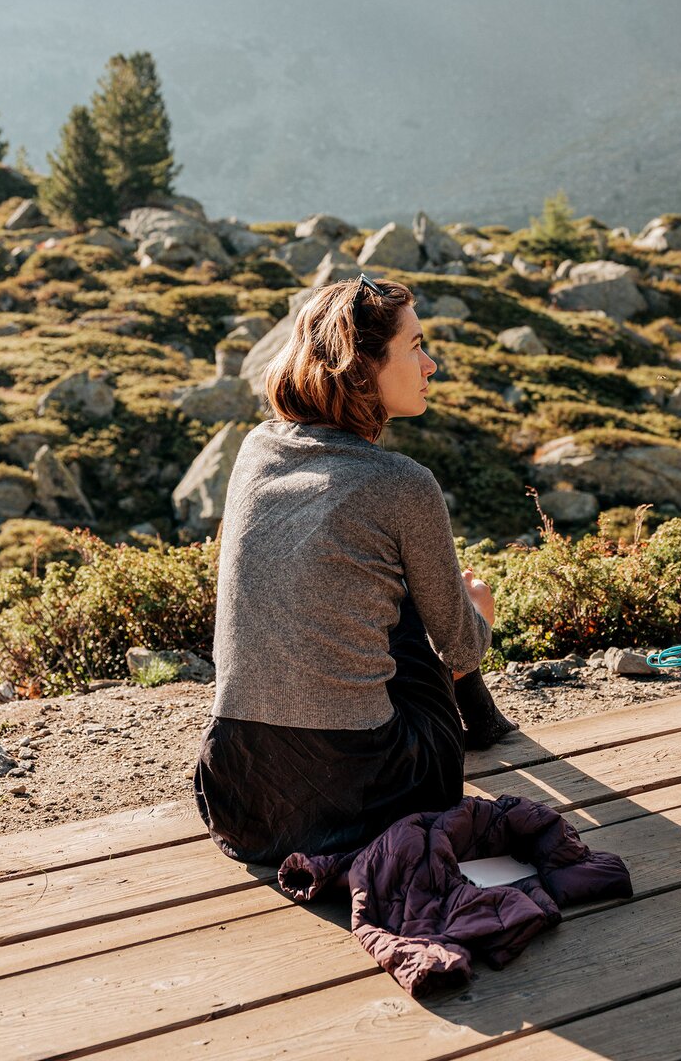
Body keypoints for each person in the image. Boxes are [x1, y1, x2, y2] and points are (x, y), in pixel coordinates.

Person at [193, 273, 515, 865]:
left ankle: (483, 716)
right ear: (362, 366)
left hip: (239, 794)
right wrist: (479, 614)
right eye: (415, 346)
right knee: (422, 608)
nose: (431, 364)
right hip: (371, 795)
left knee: (373, 583)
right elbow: (460, 645)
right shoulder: (403, 484)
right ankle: (483, 719)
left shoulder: (257, 448)